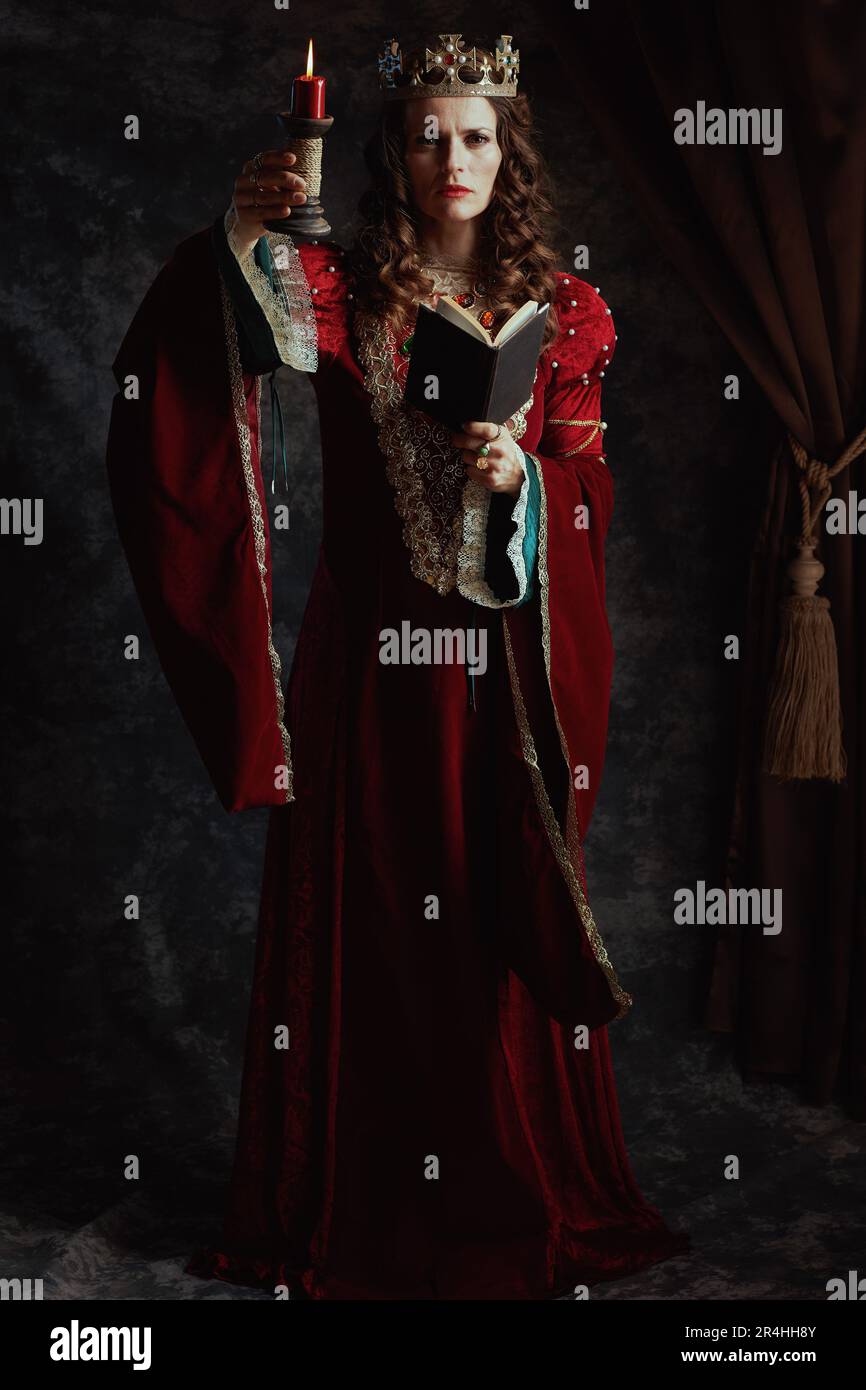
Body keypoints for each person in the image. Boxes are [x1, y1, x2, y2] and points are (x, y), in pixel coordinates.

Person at [106, 31, 690, 1300]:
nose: (451, 157)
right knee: (377, 909)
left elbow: (592, 487)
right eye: (426, 134)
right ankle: (360, 1194)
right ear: (391, 151)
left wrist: (526, 481)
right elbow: (198, 342)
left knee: (490, 911)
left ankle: (514, 1180)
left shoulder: (569, 312)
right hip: (371, 663)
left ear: (506, 151)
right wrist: (238, 226)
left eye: (474, 134)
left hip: (506, 671)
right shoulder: (337, 288)